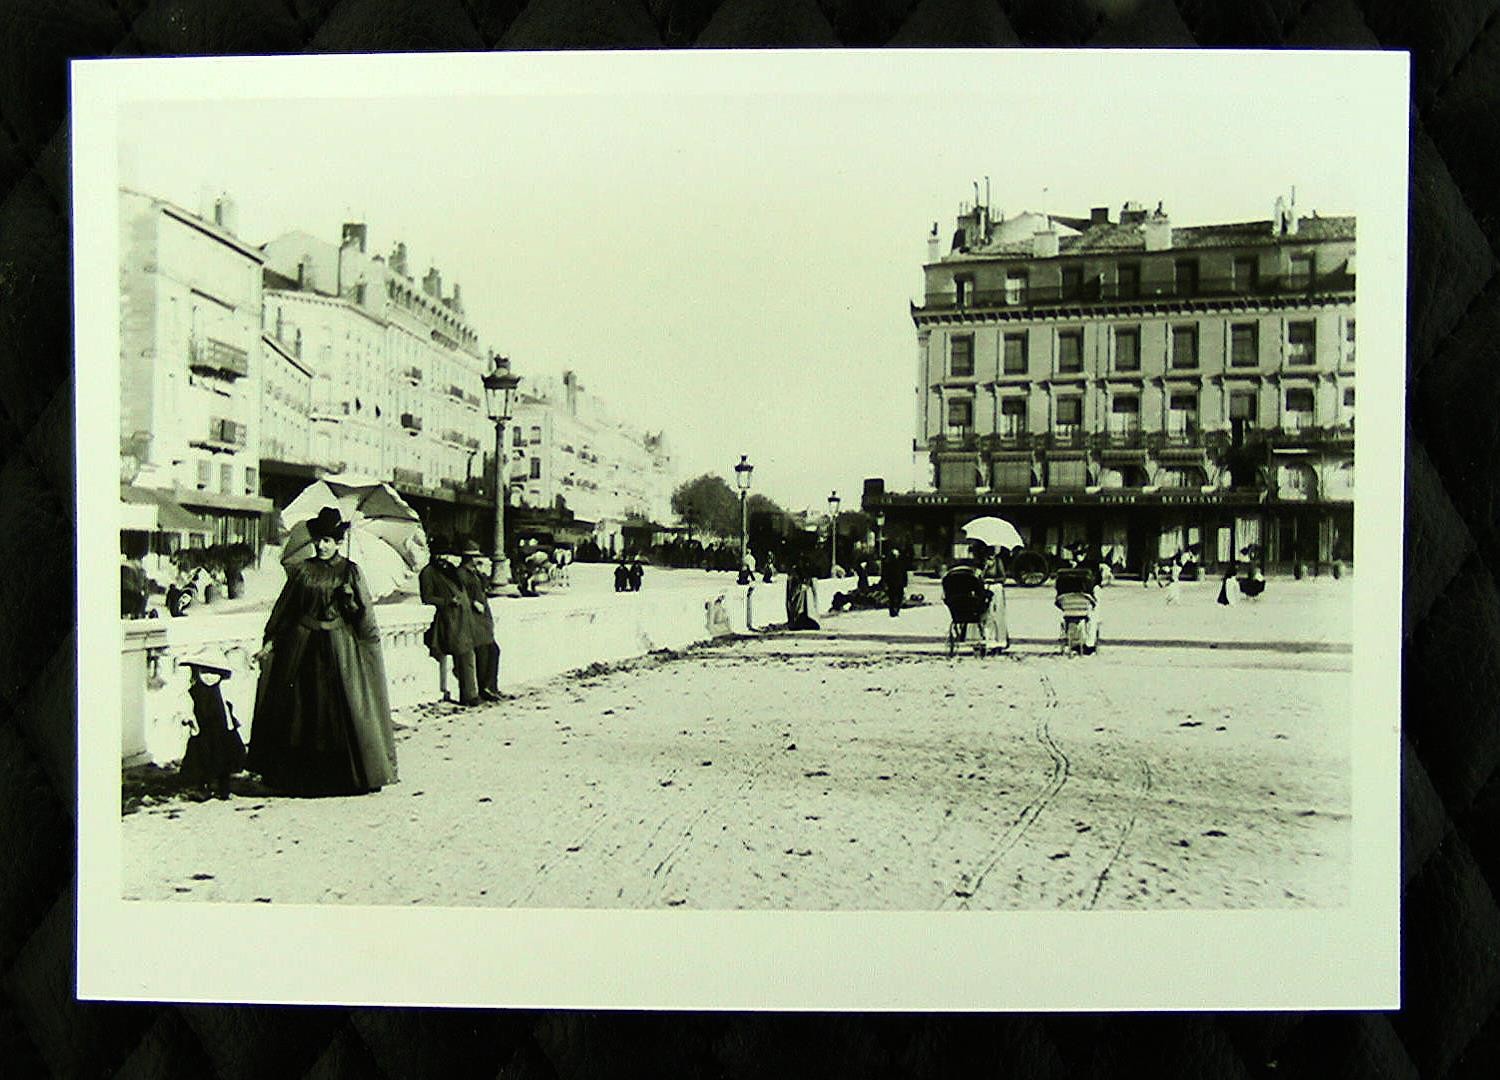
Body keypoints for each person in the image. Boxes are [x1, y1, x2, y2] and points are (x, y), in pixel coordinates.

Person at [248, 507, 398, 796]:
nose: (322, 545)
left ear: (338, 542)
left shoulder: (351, 571)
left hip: (339, 648)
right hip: (302, 648)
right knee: (303, 711)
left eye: (328, 540)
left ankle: (340, 777)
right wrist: (272, 640)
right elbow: (286, 610)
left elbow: (363, 616)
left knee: (338, 710)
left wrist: (349, 601)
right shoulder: (303, 571)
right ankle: (301, 778)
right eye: (319, 540)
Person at [418, 535, 480, 706]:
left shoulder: (451, 569)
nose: (443, 558)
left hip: (462, 620)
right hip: (448, 620)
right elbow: (427, 597)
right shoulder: (428, 573)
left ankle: (470, 694)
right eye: (439, 554)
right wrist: (447, 602)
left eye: (445, 554)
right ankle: (468, 695)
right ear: (433, 555)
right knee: (462, 654)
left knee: (468, 655)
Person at [177, 648, 246, 800]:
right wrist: (189, 719)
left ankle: (223, 788)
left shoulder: (221, 692)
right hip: (202, 732)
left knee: (223, 760)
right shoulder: (194, 691)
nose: (209, 677)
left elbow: (227, 709)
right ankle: (202, 786)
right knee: (201, 760)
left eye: (214, 673)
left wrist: (231, 725)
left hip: (220, 731)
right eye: (204, 672)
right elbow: (187, 707)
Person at [458, 541, 502, 702]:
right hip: (475, 621)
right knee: (485, 654)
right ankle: (486, 687)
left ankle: (490, 686)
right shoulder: (463, 575)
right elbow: (465, 596)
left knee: (491, 652)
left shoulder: (473, 573)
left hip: (481, 621)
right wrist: (473, 603)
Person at [785, 560, 820, 630]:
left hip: (804, 614)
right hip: (797, 614)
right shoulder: (793, 578)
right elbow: (791, 597)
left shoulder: (805, 579)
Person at [880, 547, 908, 617]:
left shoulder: (899, 563)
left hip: (896, 583)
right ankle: (893, 611)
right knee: (894, 598)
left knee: (896, 598)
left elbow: (904, 573)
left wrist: (905, 583)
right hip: (894, 583)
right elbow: (885, 574)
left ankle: (895, 611)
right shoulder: (889, 563)